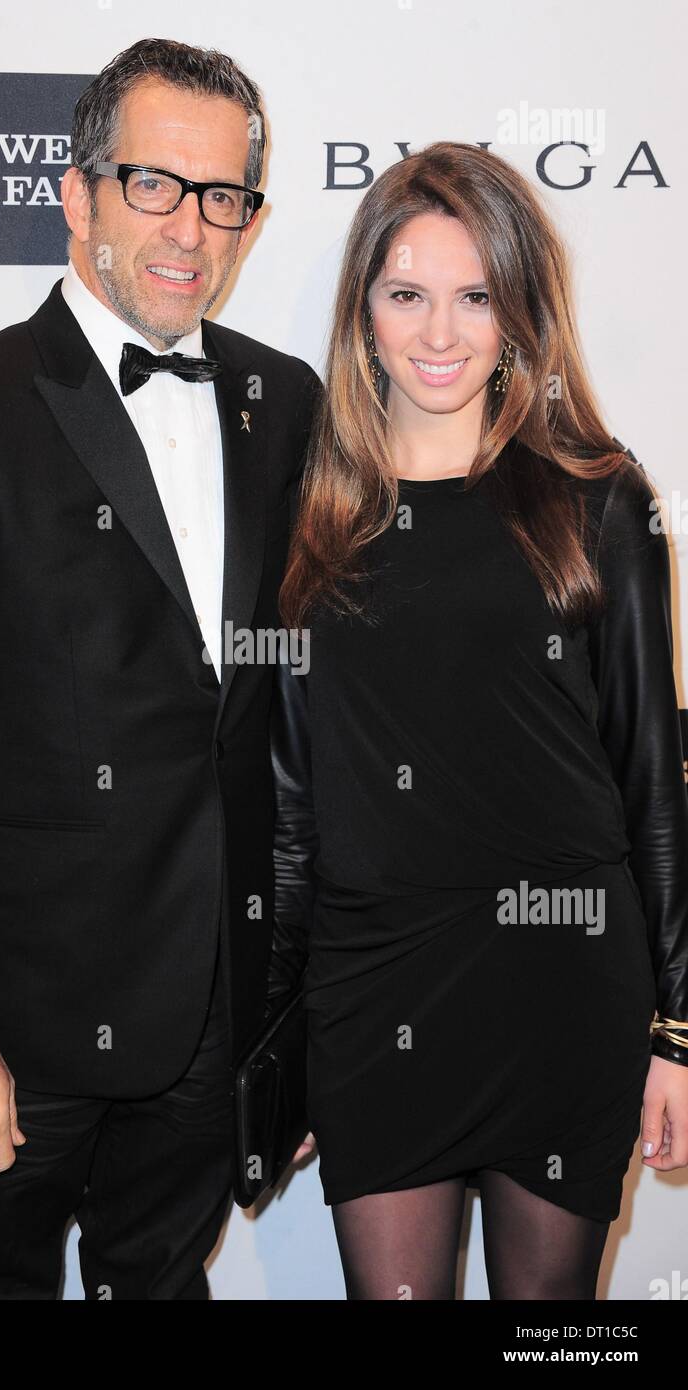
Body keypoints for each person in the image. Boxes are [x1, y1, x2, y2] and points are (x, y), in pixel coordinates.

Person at [0, 37, 320, 1300]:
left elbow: (287, 728)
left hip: (212, 1016)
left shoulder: (287, 404)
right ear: (76, 191)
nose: (191, 229)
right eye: (154, 184)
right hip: (8, 1033)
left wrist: (289, 1020)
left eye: (223, 197)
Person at [281, 141, 688, 1300]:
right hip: (374, 992)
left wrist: (679, 1030)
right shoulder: (312, 512)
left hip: (563, 988)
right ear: (364, 311)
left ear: (520, 314)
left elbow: (653, 778)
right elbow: (293, 800)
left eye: (476, 297)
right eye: (407, 294)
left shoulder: (601, 498)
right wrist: (281, 1033)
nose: (441, 334)